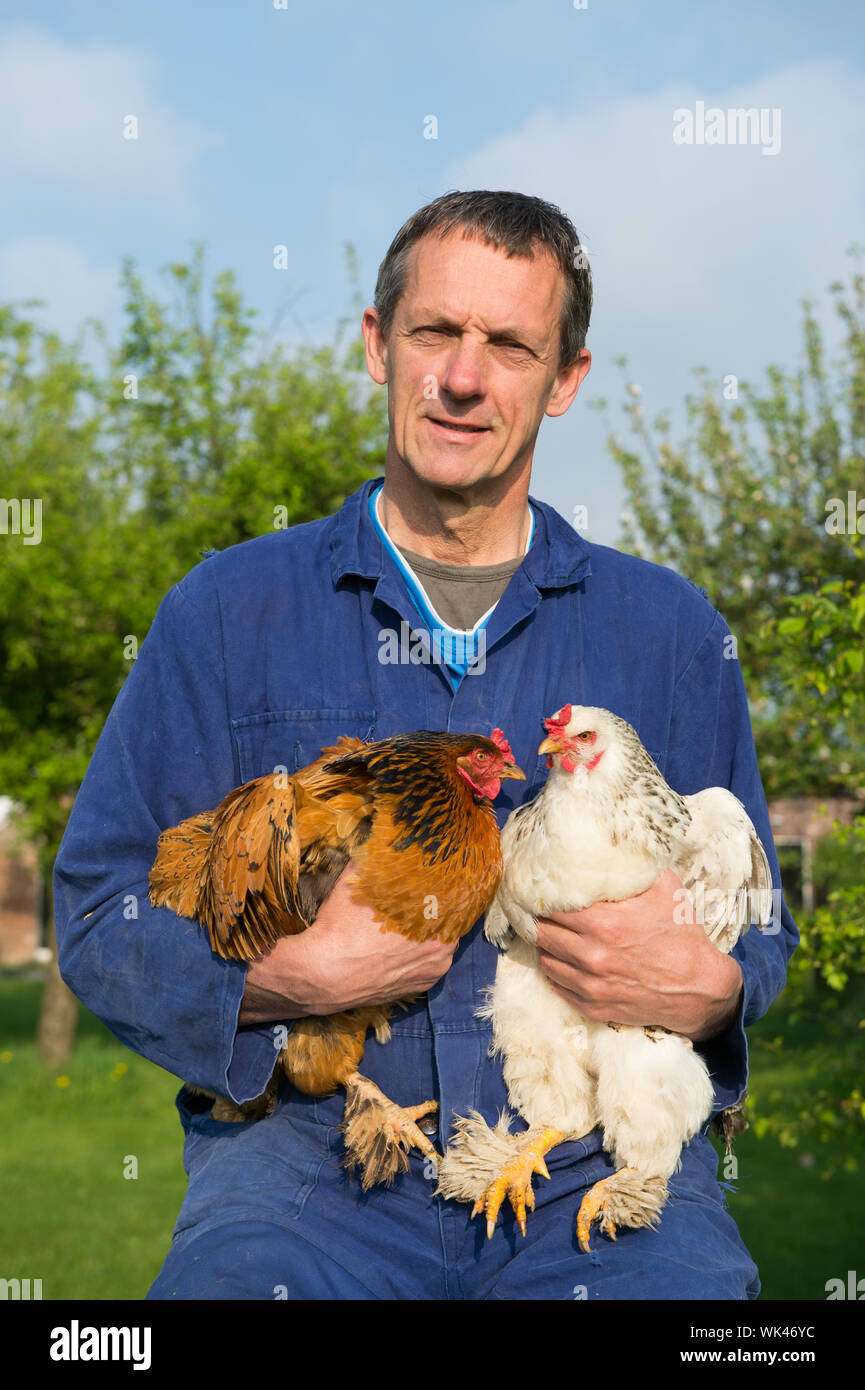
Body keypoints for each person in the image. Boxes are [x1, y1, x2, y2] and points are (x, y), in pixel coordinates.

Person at [54, 189, 797, 1300]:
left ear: (567, 380)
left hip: (600, 1152)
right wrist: (275, 978)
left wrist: (713, 989)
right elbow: (95, 907)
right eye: (435, 332)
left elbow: (766, 925)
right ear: (375, 345)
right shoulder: (225, 611)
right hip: (307, 1161)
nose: (463, 375)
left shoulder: (673, 634)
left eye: (509, 344)